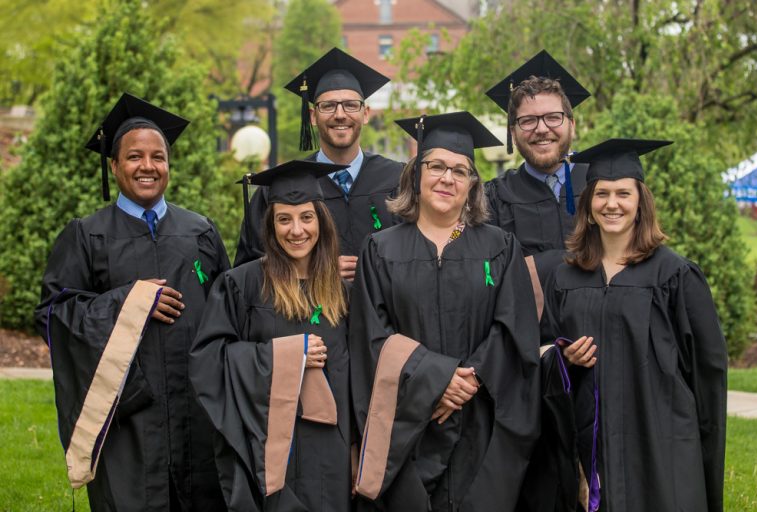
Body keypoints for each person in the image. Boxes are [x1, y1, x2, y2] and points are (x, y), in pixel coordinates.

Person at [34, 93, 230, 511]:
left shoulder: (200, 232)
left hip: (197, 413)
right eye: (134, 156)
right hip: (128, 418)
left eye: (158, 156)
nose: (148, 166)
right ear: (114, 165)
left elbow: (228, 314)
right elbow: (54, 315)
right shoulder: (87, 235)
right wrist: (130, 303)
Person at [350, 112, 541, 511]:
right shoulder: (381, 249)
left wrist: (466, 382)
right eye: (436, 166)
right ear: (416, 175)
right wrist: (436, 379)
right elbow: (372, 335)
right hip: (410, 427)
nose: (447, 178)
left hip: (481, 422)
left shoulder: (500, 247)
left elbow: (513, 326)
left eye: (460, 170)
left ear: (472, 184)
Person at [541, 139, 727, 511]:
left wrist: (703, 453)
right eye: (602, 194)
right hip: (592, 449)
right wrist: (564, 359)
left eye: (623, 193)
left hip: (661, 447)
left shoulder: (675, 275)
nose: (612, 204)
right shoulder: (566, 277)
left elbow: (707, 373)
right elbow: (546, 352)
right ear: (589, 206)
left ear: (640, 202)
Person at [190, 160, 354, 511]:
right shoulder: (242, 285)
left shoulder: (344, 293)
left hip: (331, 456)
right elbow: (210, 361)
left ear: (321, 222)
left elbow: (362, 378)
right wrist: (284, 357)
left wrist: (358, 450)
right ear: (270, 224)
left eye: (306, 217)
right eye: (284, 219)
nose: (297, 230)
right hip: (265, 448)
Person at [235, 47, 404, 280]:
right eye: (328, 106)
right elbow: (249, 270)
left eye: (351, 105)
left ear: (365, 113)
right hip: (309, 314)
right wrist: (313, 269)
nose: (340, 114)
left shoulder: (399, 180)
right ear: (313, 116)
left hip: (383, 315)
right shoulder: (282, 185)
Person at [484, 50, 591, 260]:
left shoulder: (600, 183)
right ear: (513, 133)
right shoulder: (493, 199)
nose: (541, 129)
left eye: (553, 117)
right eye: (528, 120)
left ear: (572, 125)